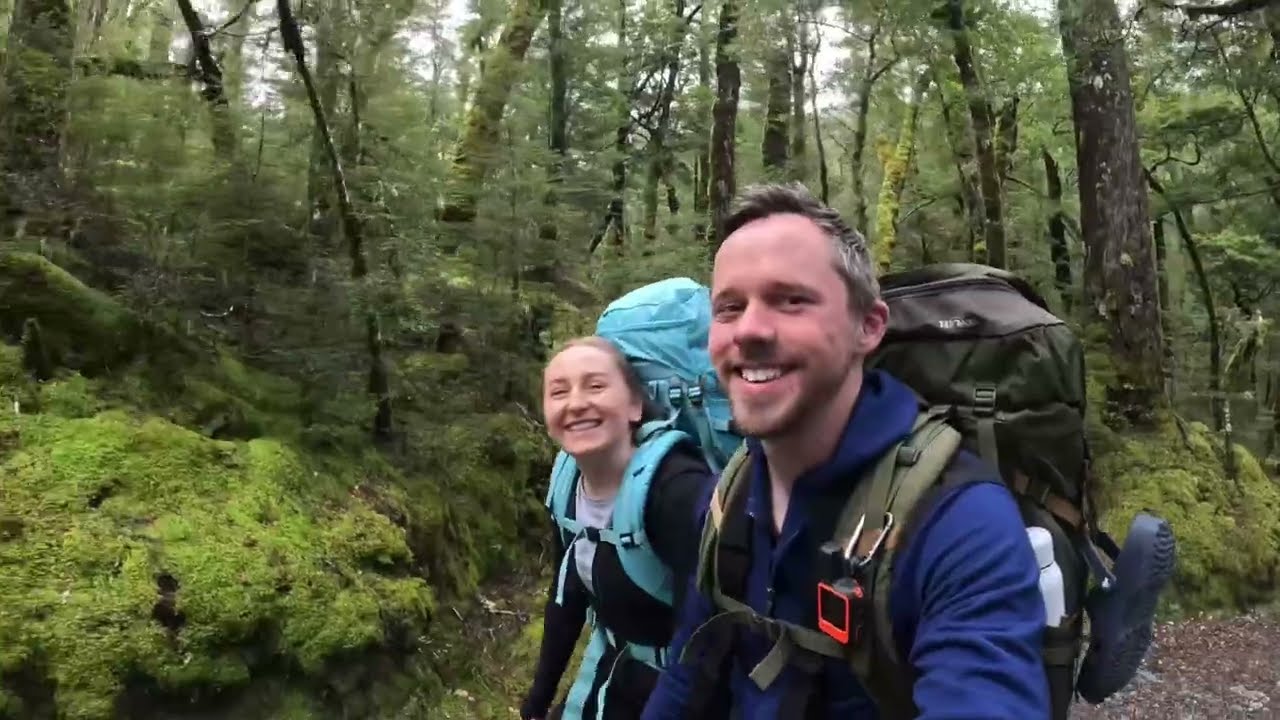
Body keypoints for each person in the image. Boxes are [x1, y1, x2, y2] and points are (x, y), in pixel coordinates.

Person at [640, 183, 1051, 719]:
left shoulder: (959, 522)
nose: (751, 330)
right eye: (730, 307)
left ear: (868, 326)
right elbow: (686, 674)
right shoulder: (731, 496)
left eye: (791, 300)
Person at [522, 336, 719, 720]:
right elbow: (566, 597)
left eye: (595, 386)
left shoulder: (675, 491)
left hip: (684, 686)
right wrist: (538, 700)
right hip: (617, 665)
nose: (576, 403)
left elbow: (702, 638)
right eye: (559, 391)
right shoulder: (566, 483)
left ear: (635, 406)